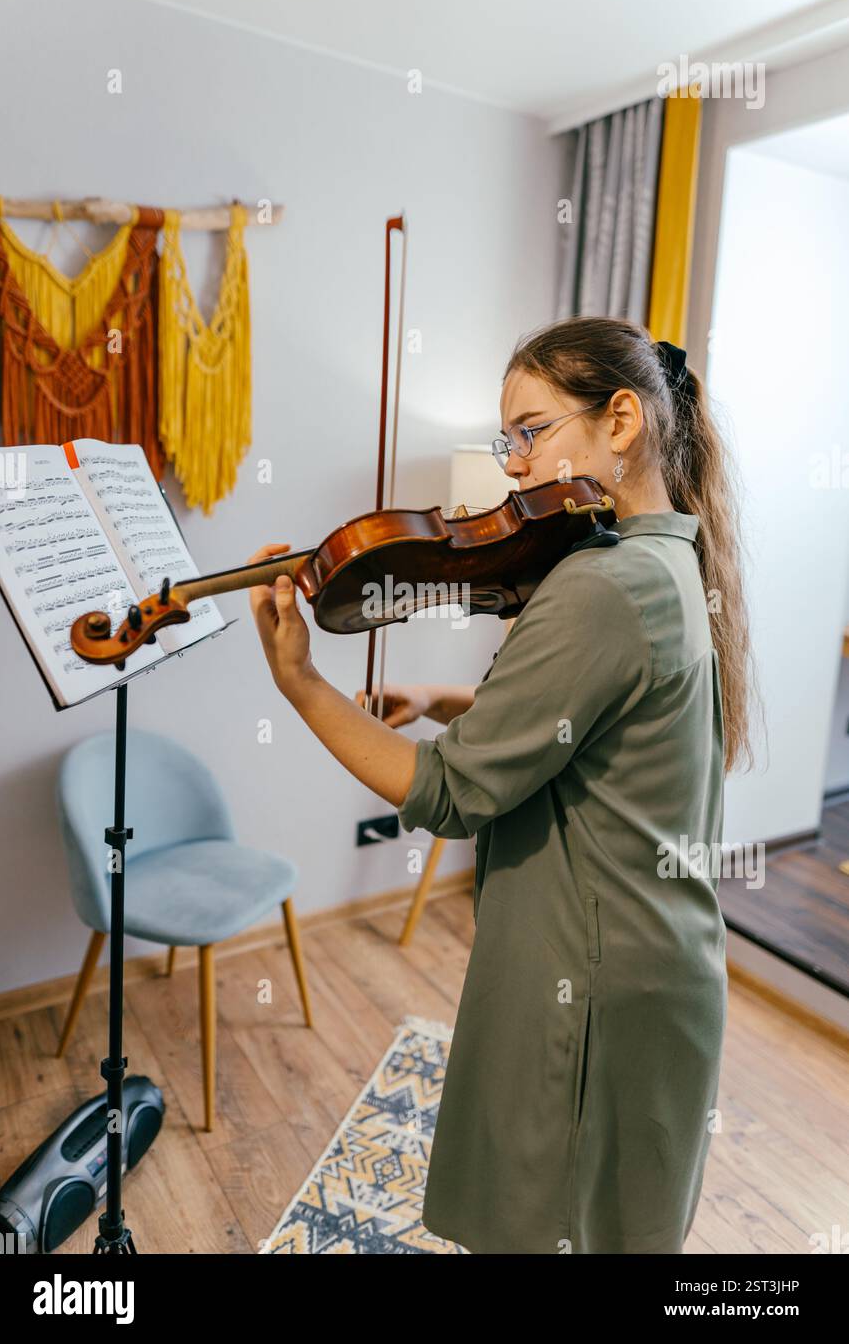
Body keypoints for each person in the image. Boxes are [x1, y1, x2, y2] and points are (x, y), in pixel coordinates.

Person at [247, 315, 756, 1255]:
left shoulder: (601, 586)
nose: (513, 464)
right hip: (650, 967)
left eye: (531, 431)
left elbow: (447, 794)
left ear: (622, 421)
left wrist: (302, 685)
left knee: (545, 1229)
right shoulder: (666, 559)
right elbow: (587, 726)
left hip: (590, 982)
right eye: (506, 438)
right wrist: (447, 697)